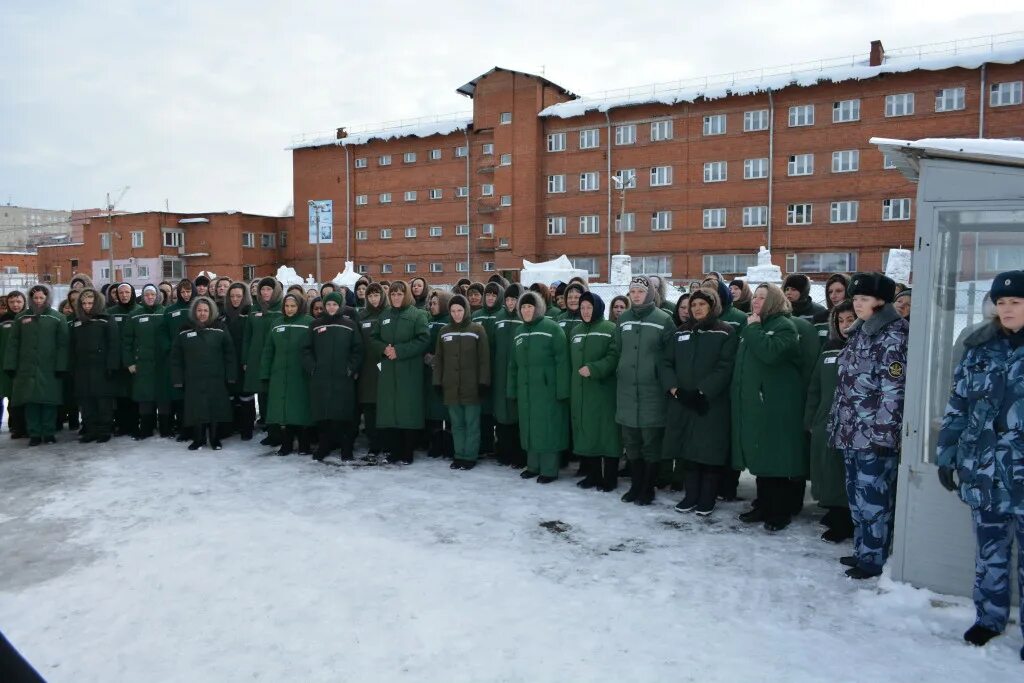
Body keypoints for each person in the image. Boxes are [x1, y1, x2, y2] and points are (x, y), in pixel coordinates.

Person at [936, 271, 1024, 657]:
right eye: (1001, 303)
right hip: (985, 471)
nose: (1007, 309)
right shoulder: (978, 348)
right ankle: (989, 618)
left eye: (1016, 302)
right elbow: (958, 405)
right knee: (990, 550)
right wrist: (947, 454)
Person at [827, 272, 908, 579]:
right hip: (852, 432)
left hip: (874, 436)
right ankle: (863, 550)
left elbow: (893, 391)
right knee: (857, 497)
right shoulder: (860, 332)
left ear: (881, 302)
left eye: (863, 299)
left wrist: (883, 435)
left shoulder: (893, 336)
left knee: (874, 500)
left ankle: (873, 559)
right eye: (855, 298)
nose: (856, 304)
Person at [732, 284, 807, 531]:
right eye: (755, 297)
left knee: (777, 459)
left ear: (774, 301)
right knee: (762, 456)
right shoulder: (754, 324)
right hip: (758, 402)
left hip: (776, 404)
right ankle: (763, 504)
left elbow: (770, 353)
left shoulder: (784, 326)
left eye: (763, 297)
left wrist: (753, 329)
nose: (756, 301)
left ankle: (779, 511)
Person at [663, 287, 738, 515]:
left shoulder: (725, 332)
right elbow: (665, 363)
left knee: (709, 452)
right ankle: (690, 495)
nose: (696, 309)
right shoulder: (679, 333)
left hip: (711, 404)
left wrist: (702, 391)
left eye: (702, 304)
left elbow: (725, 367)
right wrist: (675, 390)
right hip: (683, 402)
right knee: (688, 450)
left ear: (712, 306)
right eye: (693, 305)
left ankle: (707, 498)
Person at [616, 275, 675, 505]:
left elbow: (669, 357)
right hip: (627, 392)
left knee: (651, 443)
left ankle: (648, 488)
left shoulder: (663, 320)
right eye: (633, 292)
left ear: (650, 293)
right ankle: (636, 486)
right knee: (631, 442)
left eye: (641, 291)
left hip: (652, 394)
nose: (637, 295)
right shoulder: (624, 320)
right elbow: (620, 349)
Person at [804, 300, 856, 543]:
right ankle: (834, 511)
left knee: (843, 472)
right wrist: (811, 418)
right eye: (840, 320)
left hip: (852, 424)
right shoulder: (829, 348)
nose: (845, 326)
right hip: (826, 419)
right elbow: (814, 386)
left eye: (850, 320)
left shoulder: (864, 347)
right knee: (827, 470)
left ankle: (845, 520)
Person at [508, 289, 570, 483]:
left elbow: (562, 361)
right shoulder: (518, 332)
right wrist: (512, 389)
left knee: (547, 428)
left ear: (538, 308)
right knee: (529, 426)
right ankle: (533, 465)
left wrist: (562, 390)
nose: (527, 311)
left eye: (530, 306)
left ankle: (549, 469)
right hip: (526, 389)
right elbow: (513, 364)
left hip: (547, 389)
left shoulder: (552, 328)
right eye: (524, 307)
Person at [2, 284, 69, 445]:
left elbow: (63, 345)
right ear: (30, 299)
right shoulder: (21, 318)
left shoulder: (57, 317)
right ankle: (34, 433)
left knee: (49, 402)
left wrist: (61, 366)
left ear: (47, 298)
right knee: (30, 402)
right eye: (35, 298)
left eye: (41, 297)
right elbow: (13, 343)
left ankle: (48, 432)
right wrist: (10, 365)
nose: (38, 301)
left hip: (49, 368)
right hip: (26, 368)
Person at [373, 280, 430, 464]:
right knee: (390, 410)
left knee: (407, 411)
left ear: (406, 295)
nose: (396, 297)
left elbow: (423, 340)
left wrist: (400, 351)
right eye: (393, 294)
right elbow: (373, 338)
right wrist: (383, 349)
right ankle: (394, 450)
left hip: (409, 370)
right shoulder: (384, 315)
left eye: (400, 294)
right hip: (389, 370)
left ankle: (407, 452)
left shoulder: (417, 315)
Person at [569, 292, 621, 492]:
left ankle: (610, 478)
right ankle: (592, 475)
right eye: (582, 308)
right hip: (581, 391)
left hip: (604, 391)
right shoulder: (575, 331)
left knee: (608, 435)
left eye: (589, 307)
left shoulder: (610, 329)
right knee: (587, 434)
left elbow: (614, 355)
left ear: (597, 307)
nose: (585, 311)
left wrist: (595, 368)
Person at [170, 296, 236, 451]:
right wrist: (177, 378)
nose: (202, 313)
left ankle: (215, 439)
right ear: (194, 312)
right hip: (193, 378)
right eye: (199, 310)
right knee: (196, 409)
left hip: (216, 377)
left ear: (211, 311)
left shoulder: (220, 327)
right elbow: (176, 356)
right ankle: (198, 439)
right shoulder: (185, 329)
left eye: (205, 310)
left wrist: (231, 375)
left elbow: (230, 353)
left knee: (215, 408)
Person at [305, 292, 364, 462]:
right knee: (323, 415)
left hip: (342, 377)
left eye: (335, 305)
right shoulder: (315, 324)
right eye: (328, 304)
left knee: (344, 415)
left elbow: (358, 349)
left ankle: (347, 449)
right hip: (321, 378)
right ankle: (324, 447)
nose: (331, 308)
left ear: (340, 306)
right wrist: (312, 367)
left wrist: (350, 368)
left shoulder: (350, 325)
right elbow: (306, 349)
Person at [433, 294, 490, 469]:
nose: (456, 314)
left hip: (471, 386)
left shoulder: (477, 330)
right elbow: (439, 359)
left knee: (472, 424)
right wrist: (437, 381)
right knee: (457, 424)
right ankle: (459, 455)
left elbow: (484, 359)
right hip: (451, 386)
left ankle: (470, 456)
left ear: (465, 311)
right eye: (453, 311)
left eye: (459, 310)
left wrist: (483, 382)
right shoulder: (444, 332)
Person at [260, 292, 314, 455]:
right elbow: (268, 350)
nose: (290, 309)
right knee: (283, 412)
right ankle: (287, 444)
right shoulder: (276, 323)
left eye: (293, 306)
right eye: (287, 306)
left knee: (301, 410)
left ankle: (304, 444)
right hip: (279, 374)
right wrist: (265, 372)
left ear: (300, 306)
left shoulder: (308, 322)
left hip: (301, 375)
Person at [70, 288, 120, 442]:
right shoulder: (77, 321)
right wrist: (71, 367)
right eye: (84, 303)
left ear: (96, 303)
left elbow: (114, 343)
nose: (87, 306)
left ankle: (104, 430)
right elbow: (71, 346)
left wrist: (112, 365)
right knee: (86, 401)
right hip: (82, 368)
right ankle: (90, 430)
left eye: (90, 303)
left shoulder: (106, 319)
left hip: (102, 367)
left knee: (103, 401)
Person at [123, 284, 171, 439]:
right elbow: (127, 342)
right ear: (142, 297)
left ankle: (166, 428)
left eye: (152, 294)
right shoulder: (134, 315)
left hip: (163, 364)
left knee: (163, 397)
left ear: (157, 296)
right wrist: (129, 362)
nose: (150, 297)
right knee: (145, 397)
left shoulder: (165, 313)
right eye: (146, 295)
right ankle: (146, 429)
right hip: (142, 364)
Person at [243, 277, 283, 440]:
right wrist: (245, 359)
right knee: (262, 392)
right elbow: (247, 336)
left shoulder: (282, 308)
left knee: (274, 393)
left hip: (275, 358)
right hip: (256, 357)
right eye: (263, 289)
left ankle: (277, 429)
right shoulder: (254, 309)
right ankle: (267, 424)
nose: (266, 292)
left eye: (269, 289)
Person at [492, 284, 525, 467]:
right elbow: (493, 345)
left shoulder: (524, 318)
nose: (511, 303)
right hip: (500, 374)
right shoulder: (499, 317)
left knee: (517, 415)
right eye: (508, 299)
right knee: (502, 415)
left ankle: (519, 454)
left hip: (517, 374)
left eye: (514, 299)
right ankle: (503, 451)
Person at [473, 281, 505, 458]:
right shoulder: (477, 314)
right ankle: (484, 443)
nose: (491, 298)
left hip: (498, 366)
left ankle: (499, 444)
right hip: (480, 367)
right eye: (488, 295)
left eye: (494, 295)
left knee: (497, 407)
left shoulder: (502, 315)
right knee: (483, 408)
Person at [220, 282, 254, 440]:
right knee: (230, 395)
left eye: (239, 296)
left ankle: (246, 428)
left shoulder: (250, 314)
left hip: (244, 361)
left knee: (245, 396)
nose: (235, 299)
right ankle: (230, 426)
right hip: (228, 361)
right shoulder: (222, 314)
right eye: (232, 296)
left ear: (244, 297)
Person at [423, 290, 452, 458]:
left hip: (444, 372)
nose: (432, 306)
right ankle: (434, 443)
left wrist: (438, 359)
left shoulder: (448, 322)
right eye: (431, 303)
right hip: (429, 372)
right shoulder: (428, 321)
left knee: (445, 411)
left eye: (436, 303)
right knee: (433, 410)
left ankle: (447, 444)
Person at [165, 279, 195, 440]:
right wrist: (170, 347)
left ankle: (194, 428)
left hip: (193, 357)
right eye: (182, 292)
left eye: (188, 291)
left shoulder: (197, 308)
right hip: (176, 357)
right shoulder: (170, 311)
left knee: (192, 395)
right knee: (178, 394)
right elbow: (163, 332)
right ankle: (183, 428)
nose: (185, 295)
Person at [109, 282, 139, 436]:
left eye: (127, 292)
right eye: (121, 293)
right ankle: (121, 425)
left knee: (134, 394)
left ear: (132, 293)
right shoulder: (111, 312)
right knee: (120, 394)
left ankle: (134, 425)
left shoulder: (139, 311)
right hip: (117, 360)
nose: (124, 295)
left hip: (134, 360)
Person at [0, 291, 27, 438]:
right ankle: (15, 426)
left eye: (18, 301)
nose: (15, 305)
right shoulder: (4, 320)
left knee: (25, 397)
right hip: (7, 364)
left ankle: (26, 425)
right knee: (12, 397)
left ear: (24, 302)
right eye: (12, 302)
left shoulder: (29, 317)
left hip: (25, 364)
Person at [813, 274, 850, 345]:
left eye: (838, 291)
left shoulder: (859, 317)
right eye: (830, 292)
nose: (833, 296)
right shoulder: (819, 318)